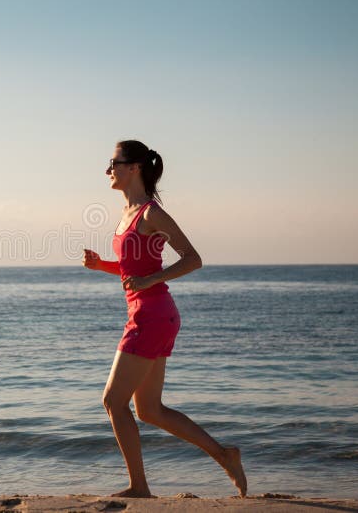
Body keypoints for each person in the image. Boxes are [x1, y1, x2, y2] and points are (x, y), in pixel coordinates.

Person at [82, 139, 247, 499]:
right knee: (150, 410)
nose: (107, 170)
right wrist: (102, 266)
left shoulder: (151, 213)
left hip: (151, 315)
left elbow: (192, 258)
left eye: (113, 163)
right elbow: (133, 271)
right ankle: (224, 455)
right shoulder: (128, 214)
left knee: (113, 401)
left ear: (134, 167)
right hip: (151, 313)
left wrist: (150, 280)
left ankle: (139, 487)